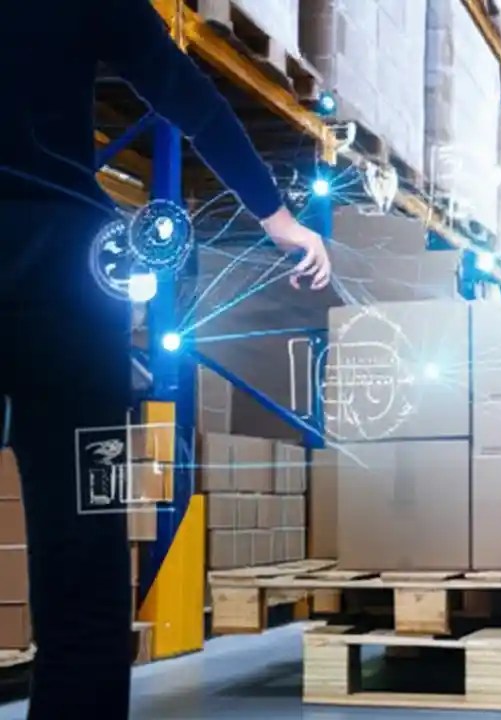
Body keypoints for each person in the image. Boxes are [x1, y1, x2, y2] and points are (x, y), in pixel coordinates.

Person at [0, 0, 331, 716]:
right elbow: (183, 91)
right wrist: (275, 218)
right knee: (83, 557)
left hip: (67, 287)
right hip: (68, 290)